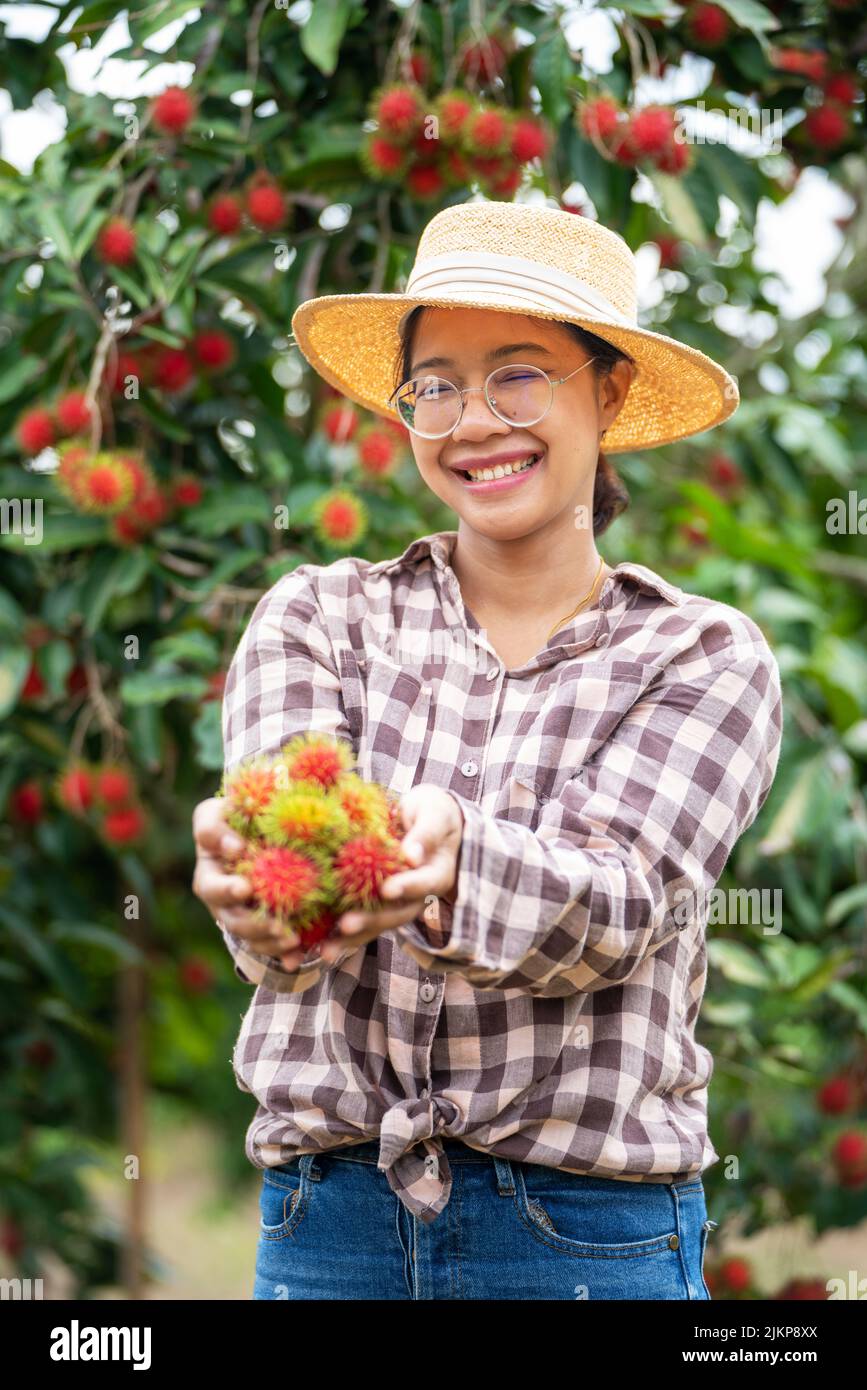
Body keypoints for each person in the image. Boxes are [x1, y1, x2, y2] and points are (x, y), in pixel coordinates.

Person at [191, 200, 782, 1300]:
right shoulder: (318, 617)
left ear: (608, 392)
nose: (474, 420)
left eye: (521, 375)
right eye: (438, 384)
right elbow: (284, 908)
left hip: (589, 1241)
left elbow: (618, 907)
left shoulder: (702, 654)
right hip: (332, 1230)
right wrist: (255, 887)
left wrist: (457, 854)